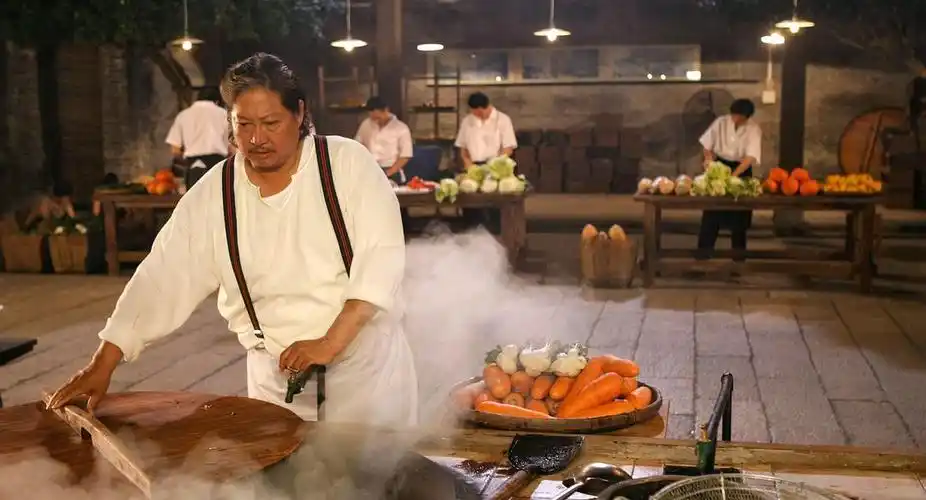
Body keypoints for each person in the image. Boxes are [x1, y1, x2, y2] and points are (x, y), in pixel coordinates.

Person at [48, 53, 418, 426]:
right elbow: (163, 275)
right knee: (282, 482)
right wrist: (104, 361)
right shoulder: (217, 191)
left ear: (300, 114)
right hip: (275, 383)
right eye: (244, 124)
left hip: (364, 375)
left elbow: (381, 260)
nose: (257, 139)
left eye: (271, 123)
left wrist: (330, 342)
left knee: (372, 480)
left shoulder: (346, 163)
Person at [696, 98, 762, 261]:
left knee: (739, 218)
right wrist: (709, 161)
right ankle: (703, 257)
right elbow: (707, 145)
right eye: (734, 115)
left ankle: (738, 261)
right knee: (711, 215)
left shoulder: (753, 129)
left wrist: (733, 176)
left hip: (741, 169)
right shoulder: (720, 123)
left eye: (740, 117)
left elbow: (750, 157)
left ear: (747, 117)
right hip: (720, 166)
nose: (736, 119)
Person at [454, 92, 517, 233]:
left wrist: (495, 166)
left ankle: (496, 233)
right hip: (474, 166)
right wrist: (468, 165)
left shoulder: (503, 120)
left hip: (495, 167)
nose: (475, 115)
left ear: (483, 108)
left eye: (477, 112)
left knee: (493, 204)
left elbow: (508, 148)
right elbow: (463, 148)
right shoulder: (467, 121)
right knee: (471, 203)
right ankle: (471, 233)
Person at [165, 86, 233, 189]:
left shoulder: (183, 115)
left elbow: (175, 150)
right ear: (218, 101)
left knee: (193, 202)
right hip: (218, 167)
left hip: (192, 168)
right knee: (217, 201)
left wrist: (188, 160)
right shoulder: (224, 115)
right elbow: (232, 149)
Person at [354, 96, 414, 185]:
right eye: (373, 118)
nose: (375, 121)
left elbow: (405, 155)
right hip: (369, 169)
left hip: (391, 171)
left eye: (378, 117)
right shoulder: (366, 124)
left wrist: (387, 173)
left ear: (386, 110)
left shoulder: (401, 128)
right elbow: (357, 145)